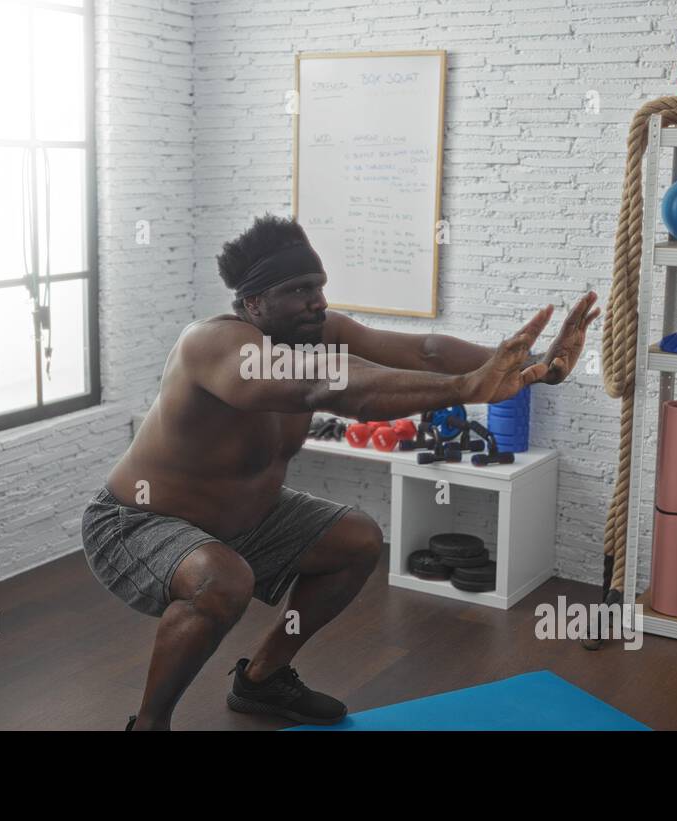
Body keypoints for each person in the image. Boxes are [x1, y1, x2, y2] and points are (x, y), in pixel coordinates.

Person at [81, 215, 600, 730]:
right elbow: (324, 385)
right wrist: (466, 388)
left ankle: (263, 678)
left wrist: (534, 364)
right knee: (223, 580)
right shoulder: (214, 345)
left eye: (319, 286)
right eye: (300, 290)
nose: (319, 302)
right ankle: (149, 724)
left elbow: (426, 351)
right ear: (254, 302)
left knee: (357, 539)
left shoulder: (320, 332)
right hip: (141, 520)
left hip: (247, 518)